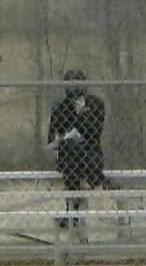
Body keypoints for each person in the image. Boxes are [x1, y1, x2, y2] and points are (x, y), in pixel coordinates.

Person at [47, 69, 111, 228]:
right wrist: (73, 117)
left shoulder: (96, 104)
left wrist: (81, 116)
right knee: (69, 147)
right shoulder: (60, 107)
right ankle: (98, 179)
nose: (74, 90)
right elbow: (52, 137)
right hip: (83, 162)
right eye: (70, 85)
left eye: (78, 85)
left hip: (90, 154)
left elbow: (94, 133)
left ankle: (72, 215)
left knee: (72, 149)